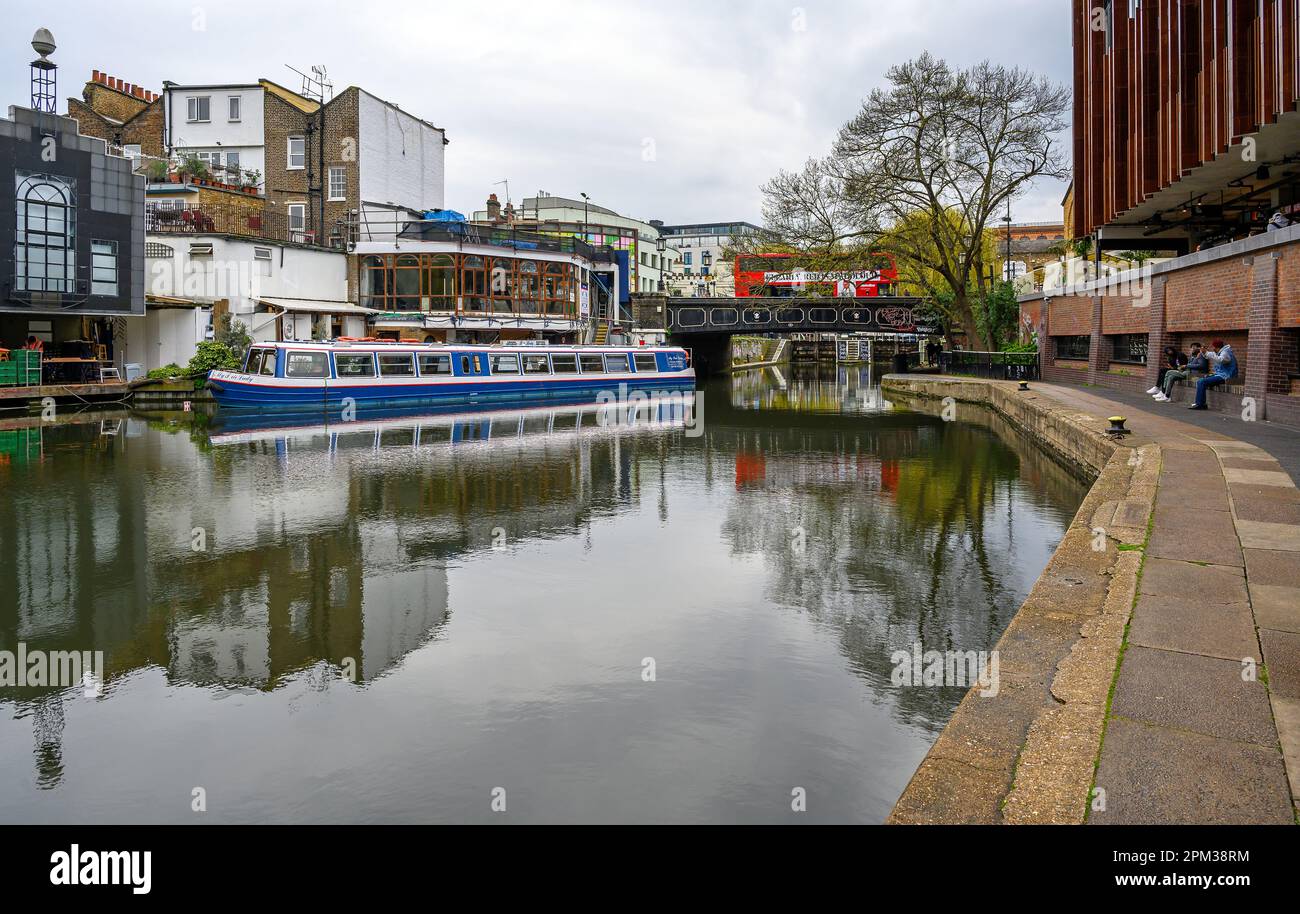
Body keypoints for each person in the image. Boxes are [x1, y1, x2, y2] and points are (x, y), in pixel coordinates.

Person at [1188, 339, 1237, 410]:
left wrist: (1206, 353)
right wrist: (1204, 352)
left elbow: (1221, 360)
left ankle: (1200, 404)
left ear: (1217, 347)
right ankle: (1201, 403)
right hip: (1220, 375)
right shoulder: (1221, 351)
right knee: (1201, 379)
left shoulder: (1226, 352)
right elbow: (1211, 355)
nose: (1213, 349)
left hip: (1226, 376)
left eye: (1213, 347)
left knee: (1201, 381)